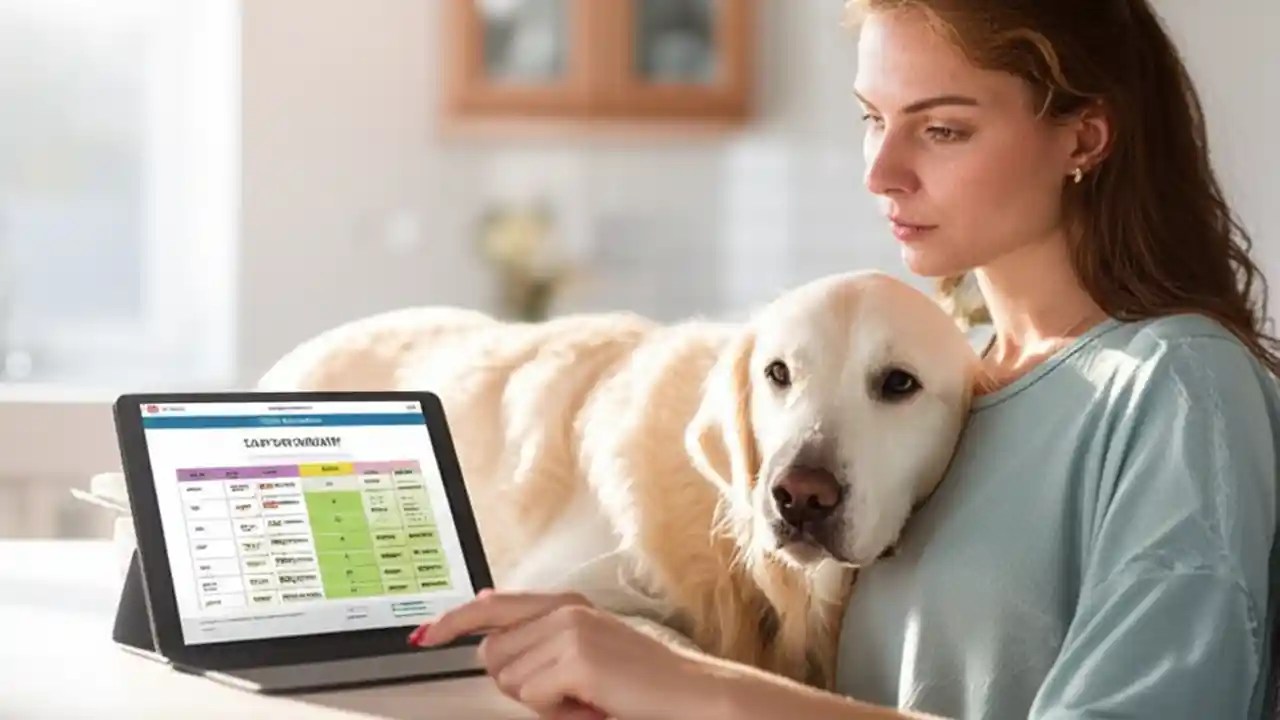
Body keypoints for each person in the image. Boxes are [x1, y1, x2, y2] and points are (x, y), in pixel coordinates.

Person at [410, 0, 1280, 717]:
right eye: (873, 119)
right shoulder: (960, 387)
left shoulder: (1177, 387)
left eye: (941, 129)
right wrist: (636, 643)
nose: (882, 171)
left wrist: (688, 689)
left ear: (1085, 139)